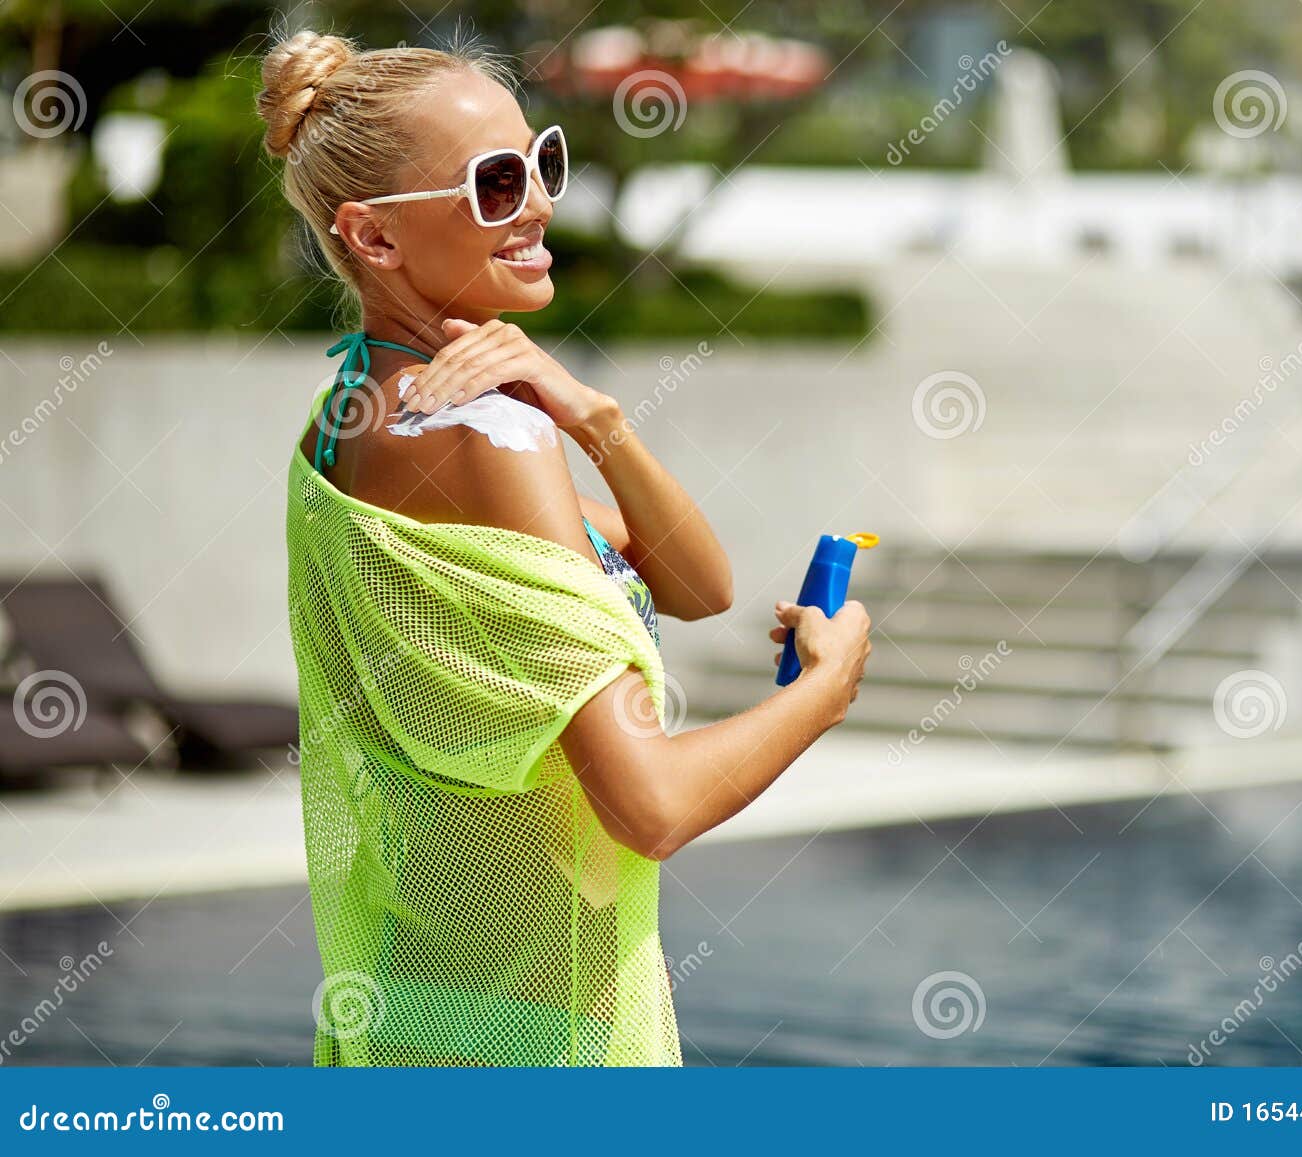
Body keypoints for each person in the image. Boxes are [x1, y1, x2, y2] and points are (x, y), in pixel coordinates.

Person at [258, 29, 871, 1066]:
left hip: (414, 1000)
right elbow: (650, 806)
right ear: (372, 236)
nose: (540, 202)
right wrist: (826, 688)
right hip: (540, 1041)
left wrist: (594, 416)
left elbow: (695, 584)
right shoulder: (490, 433)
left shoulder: (346, 413)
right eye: (494, 182)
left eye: (541, 160)